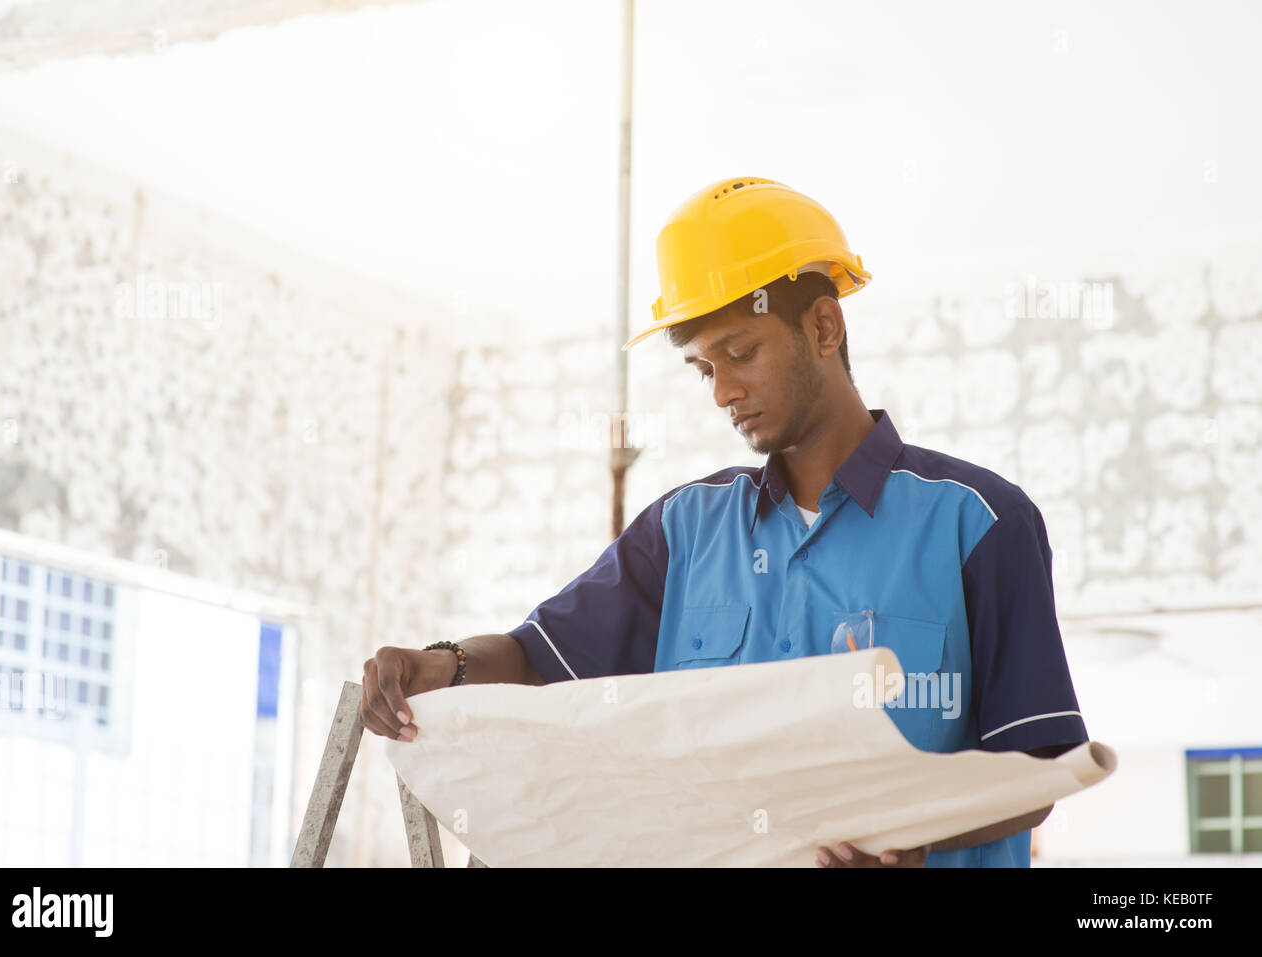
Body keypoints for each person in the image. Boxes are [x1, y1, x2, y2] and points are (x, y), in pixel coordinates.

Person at [360, 177, 1089, 868]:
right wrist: (442, 664)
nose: (723, 391)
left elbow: (1038, 767)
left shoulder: (980, 522)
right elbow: (532, 659)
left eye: (741, 352)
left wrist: (910, 838)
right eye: (704, 370)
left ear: (824, 325)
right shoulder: (683, 531)